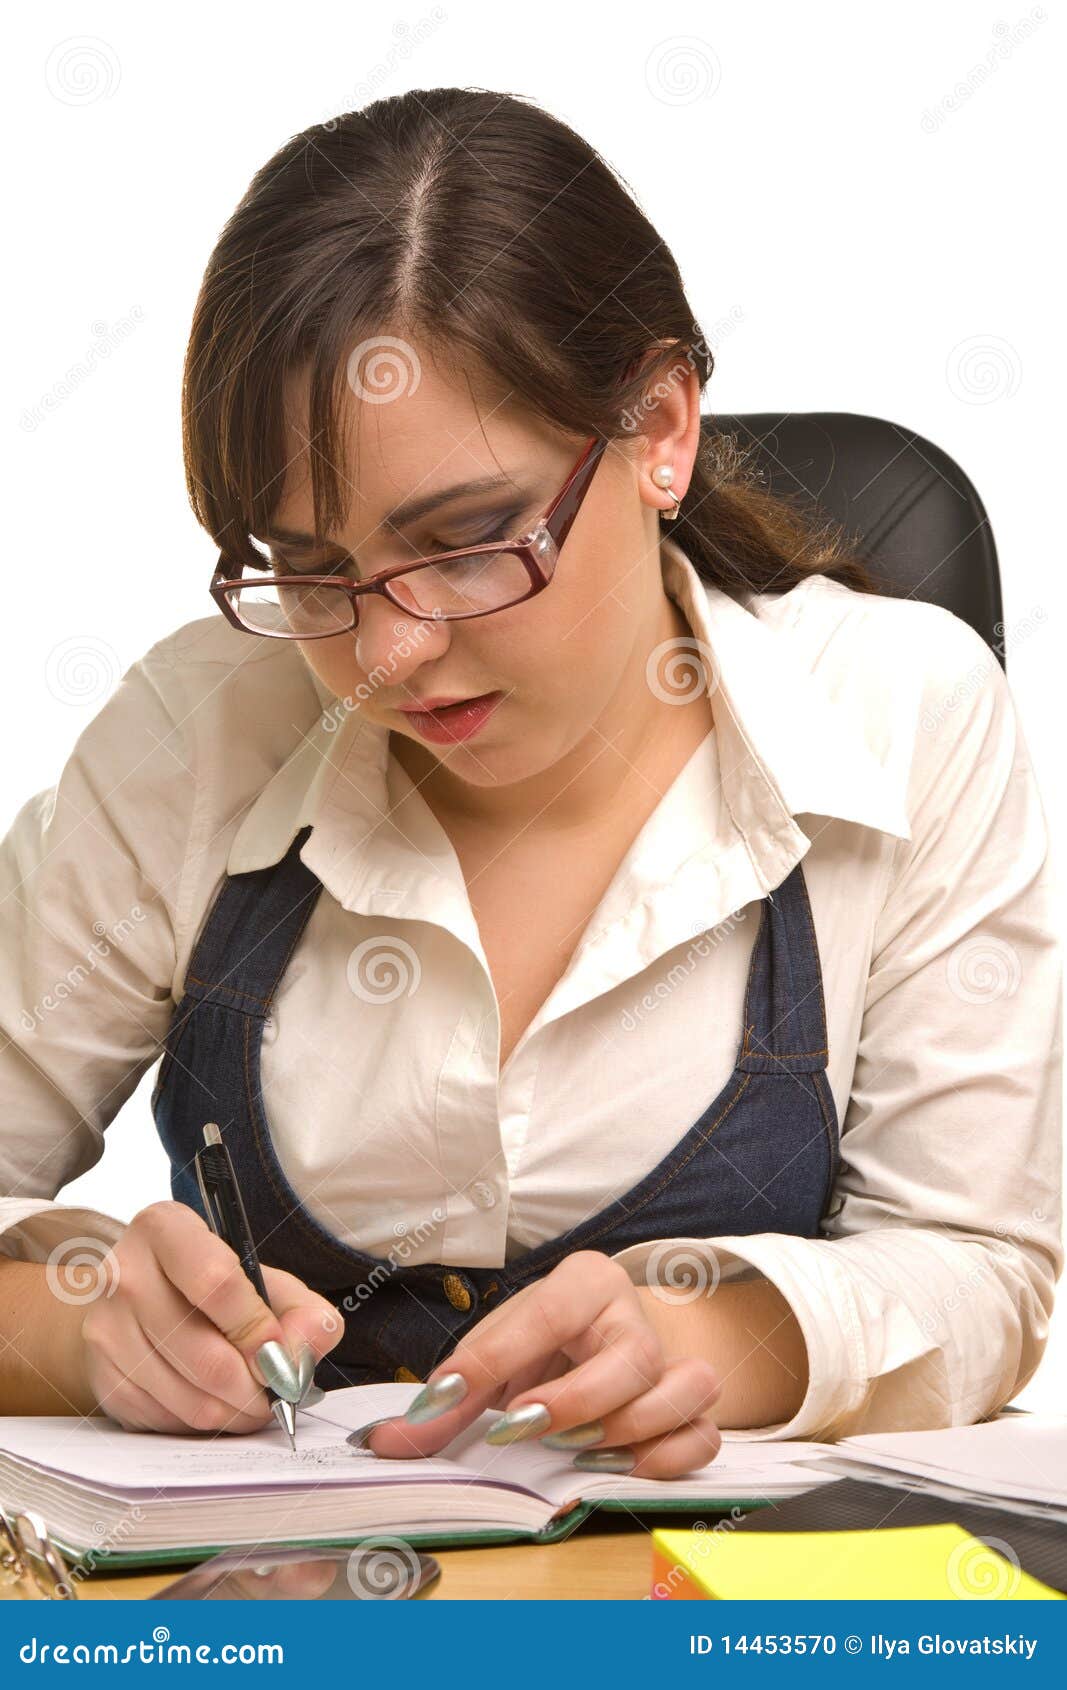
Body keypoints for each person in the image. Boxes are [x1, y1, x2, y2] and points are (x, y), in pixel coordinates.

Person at [0, 88, 1060, 1480]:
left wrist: (711, 1344)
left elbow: (980, 1267)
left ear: (661, 427)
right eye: (314, 567)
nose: (391, 651)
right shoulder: (199, 727)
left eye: (469, 539)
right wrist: (72, 1323)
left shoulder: (910, 715)